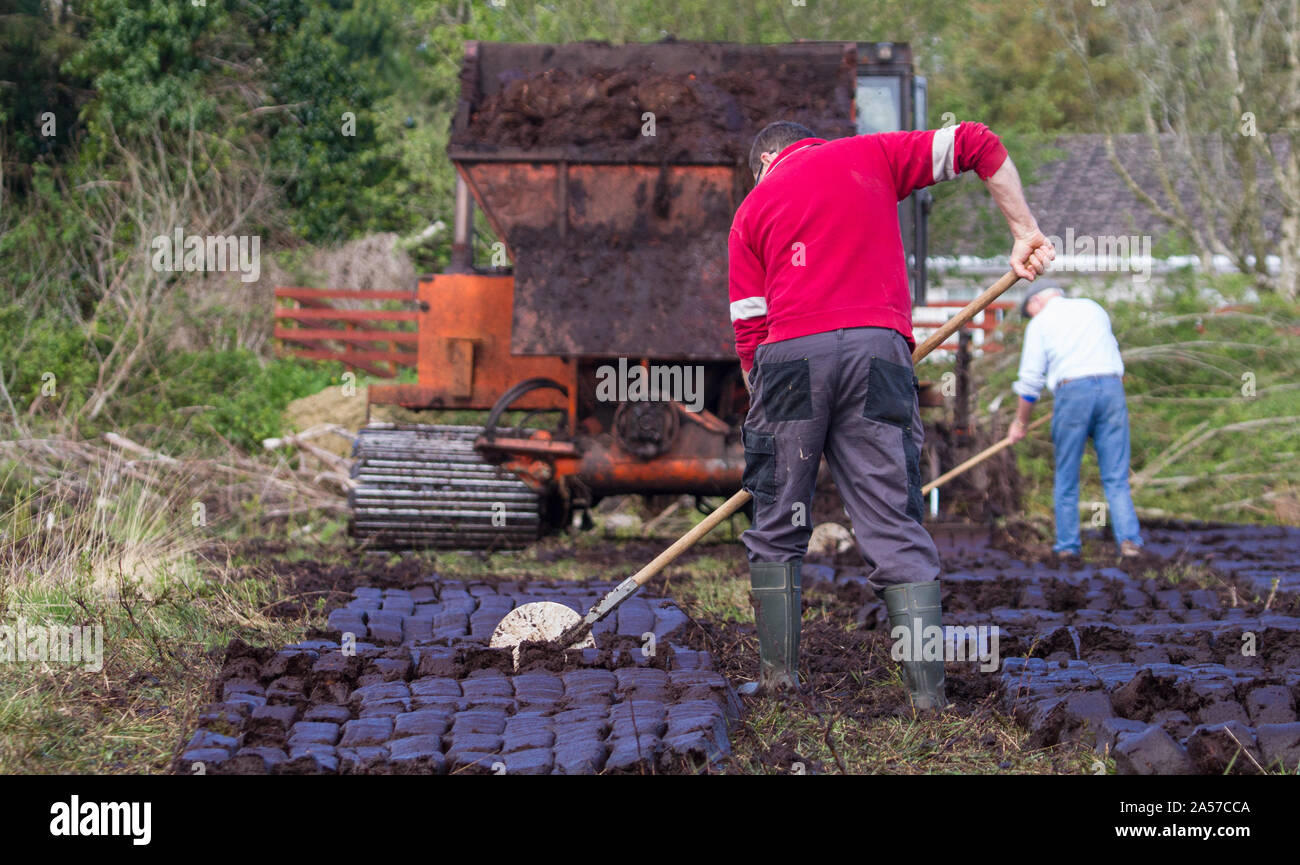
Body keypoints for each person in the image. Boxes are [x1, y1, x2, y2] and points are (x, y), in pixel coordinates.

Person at [728, 119, 1055, 703]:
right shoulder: (872, 155)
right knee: (892, 521)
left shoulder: (753, 208)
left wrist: (774, 425)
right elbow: (977, 143)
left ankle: (779, 683)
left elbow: (750, 334)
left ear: (767, 159)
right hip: (880, 354)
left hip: (788, 360)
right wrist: (1025, 230)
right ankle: (927, 696)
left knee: (778, 523)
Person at [1006, 284, 1143, 561]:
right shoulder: (1092, 308)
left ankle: (1068, 547)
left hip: (1072, 393)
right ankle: (1129, 543)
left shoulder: (1041, 323)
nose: (1029, 318)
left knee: (1067, 475)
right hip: (1111, 388)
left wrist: (1020, 423)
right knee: (1116, 477)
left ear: (1036, 301)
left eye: (1028, 312)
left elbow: (1031, 382)